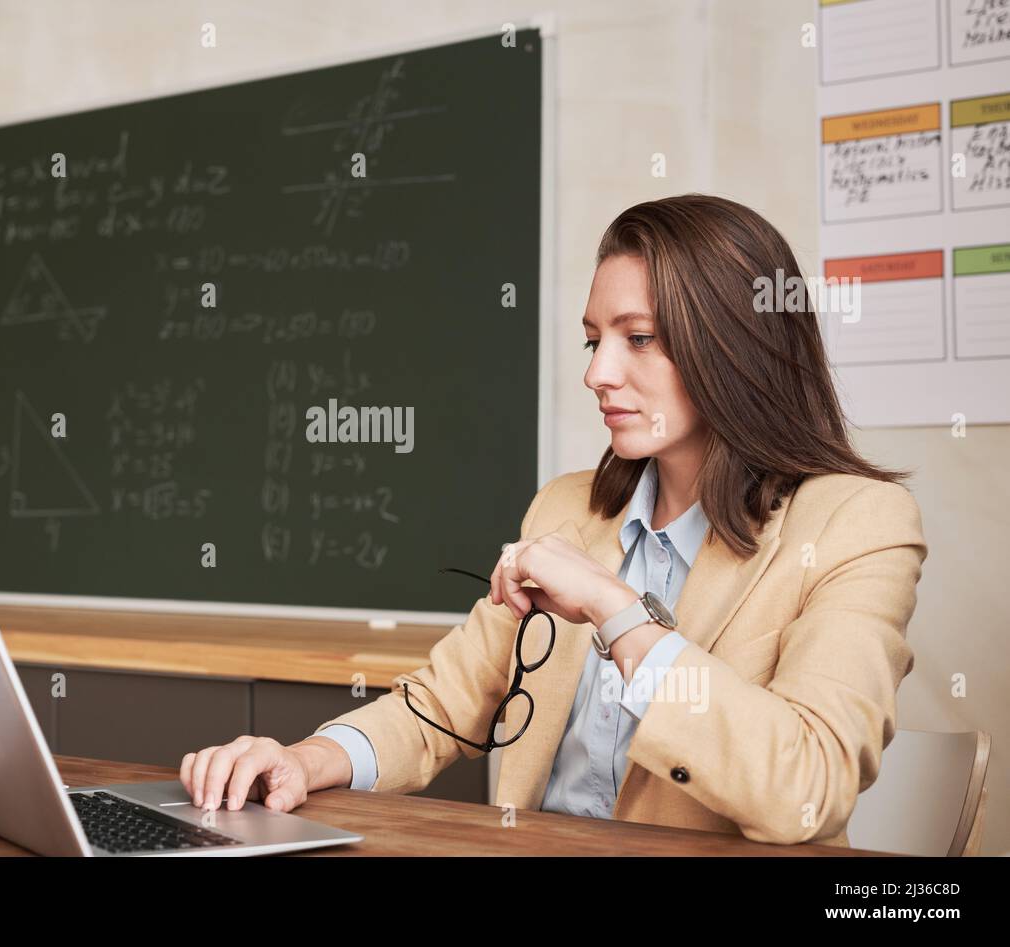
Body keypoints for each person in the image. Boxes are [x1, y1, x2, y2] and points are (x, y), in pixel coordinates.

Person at [178, 194, 926, 846]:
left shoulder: (859, 525)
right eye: (593, 339)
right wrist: (305, 759)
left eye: (637, 338)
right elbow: (446, 703)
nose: (597, 372)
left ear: (735, 345)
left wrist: (616, 609)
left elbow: (806, 785)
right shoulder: (568, 509)